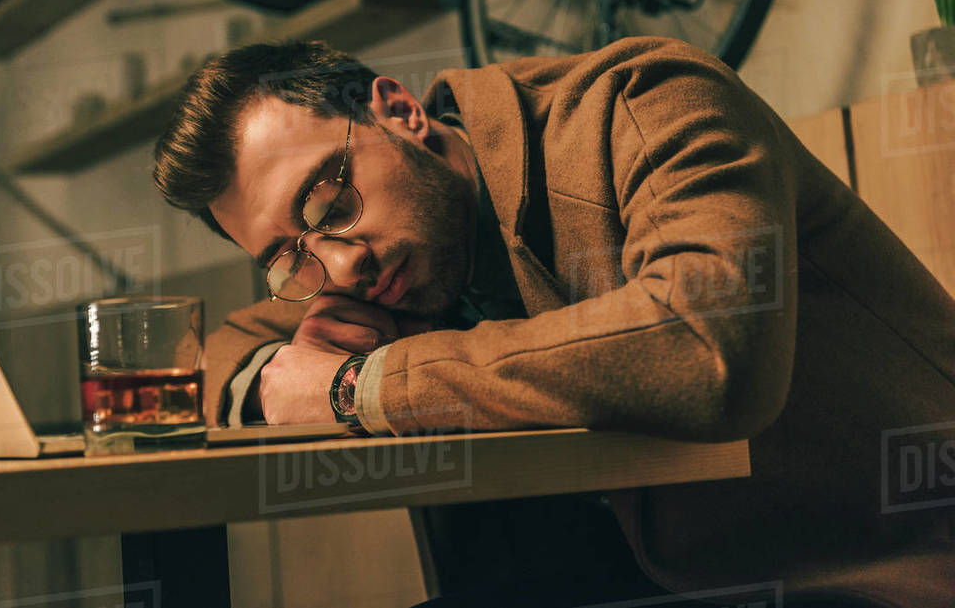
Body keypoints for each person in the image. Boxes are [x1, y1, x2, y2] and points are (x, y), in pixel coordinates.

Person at [151, 36, 955, 607]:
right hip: (676, 570)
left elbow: (710, 347)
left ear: (398, 111)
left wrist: (358, 386)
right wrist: (274, 384)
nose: (339, 264)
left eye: (330, 201)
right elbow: (229, 345)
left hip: (884, 557)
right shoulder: (370, 262)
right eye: (290, 256)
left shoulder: (648, 99)